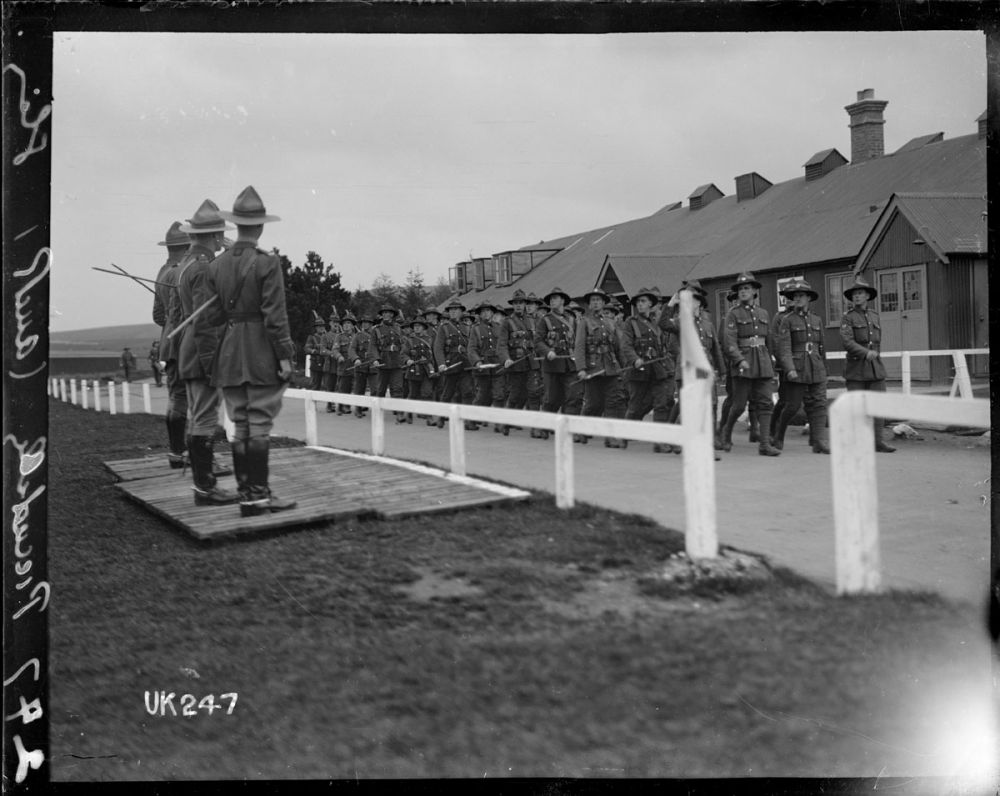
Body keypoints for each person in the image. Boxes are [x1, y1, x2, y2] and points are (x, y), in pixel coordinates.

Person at [201, 185, 297, 515]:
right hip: (259, 351)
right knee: (259, 425)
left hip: (229, 352)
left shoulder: (216, 265)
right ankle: (258, 496)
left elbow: (212, 318)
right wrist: (284, 356)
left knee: (240, 424)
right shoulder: (267, 263)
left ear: (237, 225)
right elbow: (275, 314)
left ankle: (247, 495)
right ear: (259, 227)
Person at [173, 198, 238, 505]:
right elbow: (206, 322)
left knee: (199, 416)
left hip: (190, 351)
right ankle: (205, 488)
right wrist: (214, 365)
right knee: (205, 418)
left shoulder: (188, 264)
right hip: (202, 353)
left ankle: (203, 484)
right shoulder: (202, 269)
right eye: (219, 234)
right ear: (214, 236)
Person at [720, 271, 781, 456]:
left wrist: (772, 360)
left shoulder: (763, 313)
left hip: (762, 363)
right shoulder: (733, 314)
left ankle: (764, 444)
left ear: (755, 291)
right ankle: (725, 434)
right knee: (738, 405)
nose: (743, 292)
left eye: (747, 288)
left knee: (765, 403)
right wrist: (739, 359)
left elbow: (769, 338)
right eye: (740, 289)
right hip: (743, 363)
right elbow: (729, 341)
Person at [839, 276, 896, 453]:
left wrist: (875, 356)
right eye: (854, 294)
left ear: (867, 296)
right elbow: (847, 342)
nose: (857, 296)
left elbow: (878, 342)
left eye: (860, 293)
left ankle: (877, 441)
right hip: (856, 368)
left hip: (875, 368)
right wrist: (866, 353)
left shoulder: (874, 316)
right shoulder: (848, 318)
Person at [773, 280, 830, 454]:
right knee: (792, 406)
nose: (797, 299)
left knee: (819, 403)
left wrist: (824, 368)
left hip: (816, 366)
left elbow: (821, 346)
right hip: (797, 367)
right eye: (795, 296)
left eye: (801, 296)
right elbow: (784, 347)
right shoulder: (787, 320)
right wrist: (789, 368)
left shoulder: (816, 319)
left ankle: (819, 441)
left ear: (808, 298)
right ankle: (778, 435)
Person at [152, 220, 191, 467]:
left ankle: (176, 452)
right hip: (186, 343)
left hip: (169, 342)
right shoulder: (184, 270)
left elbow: (157, 317)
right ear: (189, 245)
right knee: (192, 400)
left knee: (176, 397)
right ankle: (185, 455)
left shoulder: (162, 272)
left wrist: (169, 316)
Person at [622, 286, 677, 453]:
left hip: (659, 369)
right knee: (636, 407)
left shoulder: (657, 322)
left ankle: (660, 441)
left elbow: (665, 343)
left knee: (662, 403)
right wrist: (635, 359)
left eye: (643, 301)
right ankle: (624, 435)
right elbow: (626, 345)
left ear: (650, 304)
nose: (640, 304)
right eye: (638, 302)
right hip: (640, 371)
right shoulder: (630, 323)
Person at [573, 287, 624, 447]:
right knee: (593, 404)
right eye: (593, 300)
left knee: (612, 403)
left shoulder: (610, 323)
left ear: (603, 303)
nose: (595, 303)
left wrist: (622, 366)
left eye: (598, 300)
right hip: (592, 368)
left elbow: (618, 346)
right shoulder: (584, 322)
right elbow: (579, 346)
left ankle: (611, 437)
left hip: (611, 368)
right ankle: (580, 430)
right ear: (589, 304)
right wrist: (581, 368)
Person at [536, 286, 579, 440]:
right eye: (551, 299)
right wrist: (548, 351)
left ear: (562, 300)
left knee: (572, 397)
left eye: (555, 298)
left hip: (570, 364)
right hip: (552, 366)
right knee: (551, 399)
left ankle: (567, 430)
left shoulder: (572, 320)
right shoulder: (545, 320)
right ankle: (545, 427)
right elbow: (538, 341)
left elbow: (578, 342)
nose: (553, 301)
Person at [434, 299, 476, 429]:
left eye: (456, 309)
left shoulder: (468, 327)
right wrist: (441, 363)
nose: (453, 312)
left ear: (461, 312)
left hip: (465, 363)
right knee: (448, 393)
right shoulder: (444, 327)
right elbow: (438, 348)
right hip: (451, 363)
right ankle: (441, 417)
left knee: (468, 392)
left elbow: (472, 346)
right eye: (451, 310)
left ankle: (468, 420)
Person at [498, 289, 534, 434]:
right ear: (513, 305)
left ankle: (516, 419)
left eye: (521, 303)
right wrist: (506, 359)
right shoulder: (507, 322)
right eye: (516, 303)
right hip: (515, 363)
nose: (519, 306)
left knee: (528, 393)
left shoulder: (532, 320)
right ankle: (506, 422)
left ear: (525, 304)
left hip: (531, 362)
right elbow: (501, 344)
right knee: (514, 394)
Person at [467, 301, 504, 432]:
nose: (486, 313)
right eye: (483, 311)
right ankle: (471, 420)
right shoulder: (475, 329)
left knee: (499, 394)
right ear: (479, 315)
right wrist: (477, 362)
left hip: (497, 365)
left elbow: (503, 345)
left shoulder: (499, 327)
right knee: (483, 395)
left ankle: (499, 423)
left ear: (492, 313)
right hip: (483, 366)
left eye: (488, 311)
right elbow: (471, 349)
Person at [369, 303, 409, 423]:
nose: (386, 315)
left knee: (398, 388)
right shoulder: (376, 330)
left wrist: (404, 357)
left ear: (392, 315)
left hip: (396, 361)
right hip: (383, 361)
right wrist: (375, 359)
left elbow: (404, 344)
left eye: (389, 313)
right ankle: (377, 411)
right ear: (381, 315)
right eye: (384, 313)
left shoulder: (398, 328)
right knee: (380, 389)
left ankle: (399, 412)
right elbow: (373, 346)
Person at [349, 313, 377, 418]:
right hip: (361, 366)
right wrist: (355, 358)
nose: (365, 325)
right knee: (359, 389)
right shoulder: (357, 336)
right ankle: (358, 410)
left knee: (375, 389)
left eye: (367, 323)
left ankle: (375, 410)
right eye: (364, 323)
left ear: (371, 324)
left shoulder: (376, 335)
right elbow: (351, 349)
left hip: (374, 366)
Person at [304, 311, 327, 391]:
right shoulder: (312, 337)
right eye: (319, 326)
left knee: (327, 386)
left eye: (322, 326)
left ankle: (329, 403)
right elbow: (306, 348)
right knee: (315, 386)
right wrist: (313, 351)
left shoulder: (327, 337)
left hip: (326, 364)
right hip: (316, 364)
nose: (321, 328)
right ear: (316, 328)